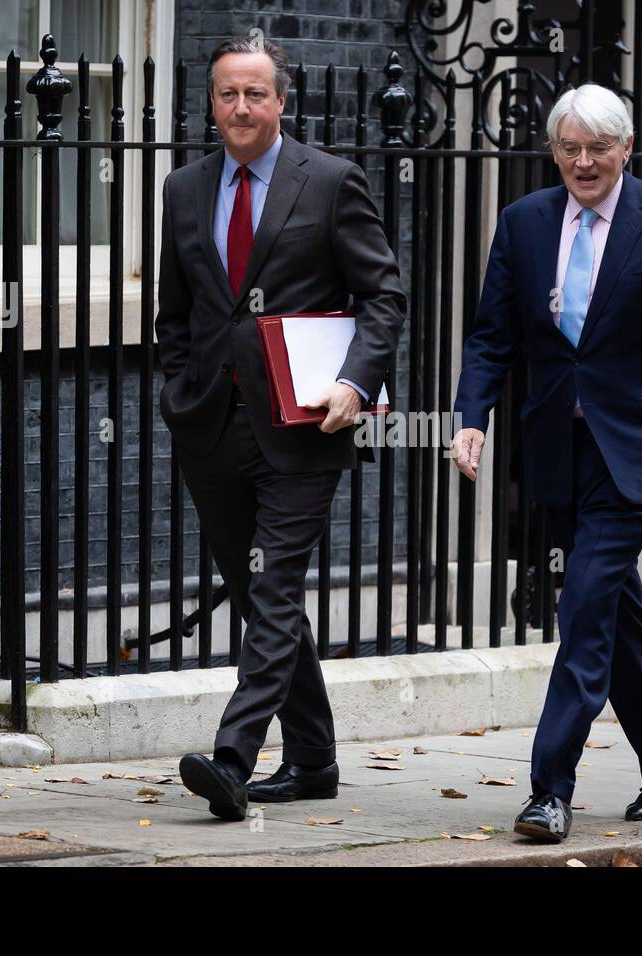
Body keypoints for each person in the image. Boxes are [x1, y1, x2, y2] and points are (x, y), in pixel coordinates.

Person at [451, 83, 642, 842]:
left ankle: (548, 787)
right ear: (554, 149)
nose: (583, 162)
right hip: (559, 445)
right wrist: (471, 420)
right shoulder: (523, 223)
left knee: (584, 608)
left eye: (599, 148)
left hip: (638, 449)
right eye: (569, 148)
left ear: (628, 148)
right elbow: (492, 334)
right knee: (618, 618)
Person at [156, 35, 406, 820]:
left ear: (281, 100)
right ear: (211, 102)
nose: (241, 107)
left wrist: (355, 382)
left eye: (255, 94)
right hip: (210, 427)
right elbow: (176, 309)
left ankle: (233, 756)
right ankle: (316, 759)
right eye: (228, 94)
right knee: (263, 596)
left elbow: (384, 296)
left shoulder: (330, 181)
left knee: (272, 588)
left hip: (302, 425)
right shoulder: (183, 189)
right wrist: (176, 390)